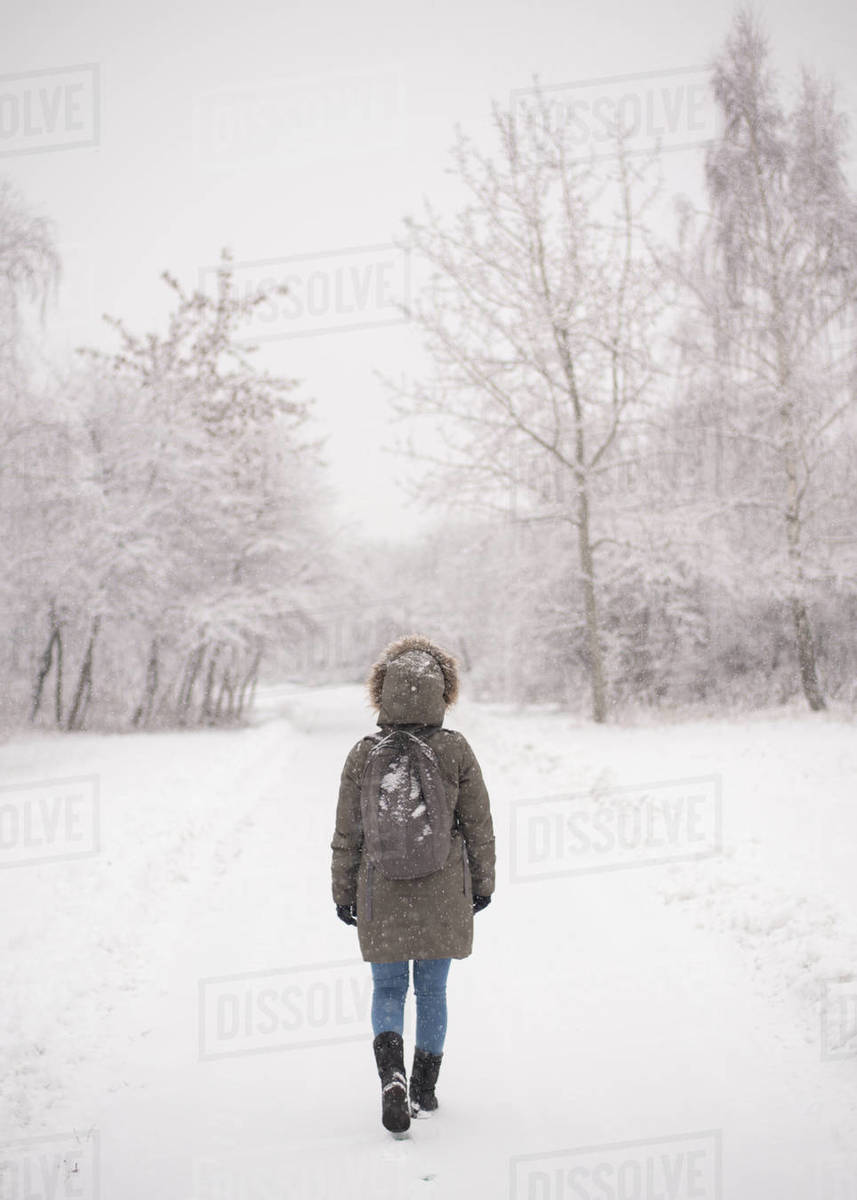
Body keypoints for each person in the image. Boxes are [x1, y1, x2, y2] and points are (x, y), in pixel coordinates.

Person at [330, 634, 495, 1134]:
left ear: (382, 693)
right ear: (443, 693)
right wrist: (482, 886)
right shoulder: (455, 750)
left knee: (387, 988)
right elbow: (478, 824)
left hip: (381, 889)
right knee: (432, 992)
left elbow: (347, 833)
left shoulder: (363, 753)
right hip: (443, 889)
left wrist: (343, 891)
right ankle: (425, 1087)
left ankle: (391, 1078)